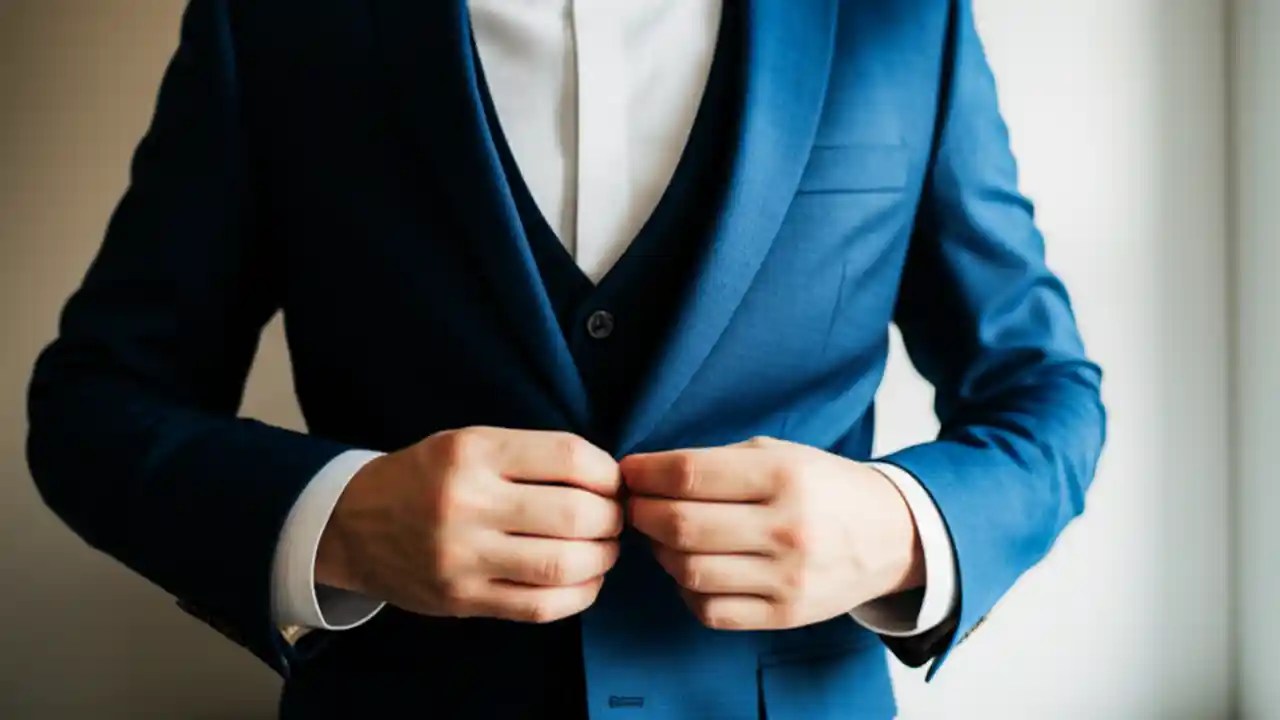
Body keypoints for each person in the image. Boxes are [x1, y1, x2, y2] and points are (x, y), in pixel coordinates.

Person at [26, 1, 1107, 717]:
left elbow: (1044, 393)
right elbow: (93, 405)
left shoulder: (899, 15)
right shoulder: (278, 16)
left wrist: (897, 530)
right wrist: (339, 520)